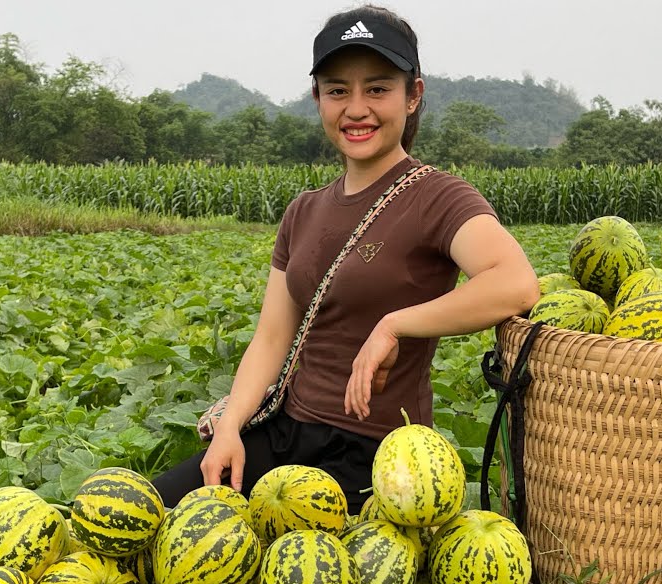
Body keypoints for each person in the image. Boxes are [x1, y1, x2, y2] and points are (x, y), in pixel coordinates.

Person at [151, 4, 539, 512]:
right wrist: (230, 428)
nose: (356, 108)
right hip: (286, 434)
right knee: (149, 514)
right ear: (318, 99)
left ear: (413, 95)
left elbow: (514, 282)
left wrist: (395, 325)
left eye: (377, 89)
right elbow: (271, 337)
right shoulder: (304, 211)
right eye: (338, 90)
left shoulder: (437, 197)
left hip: (379, 457)